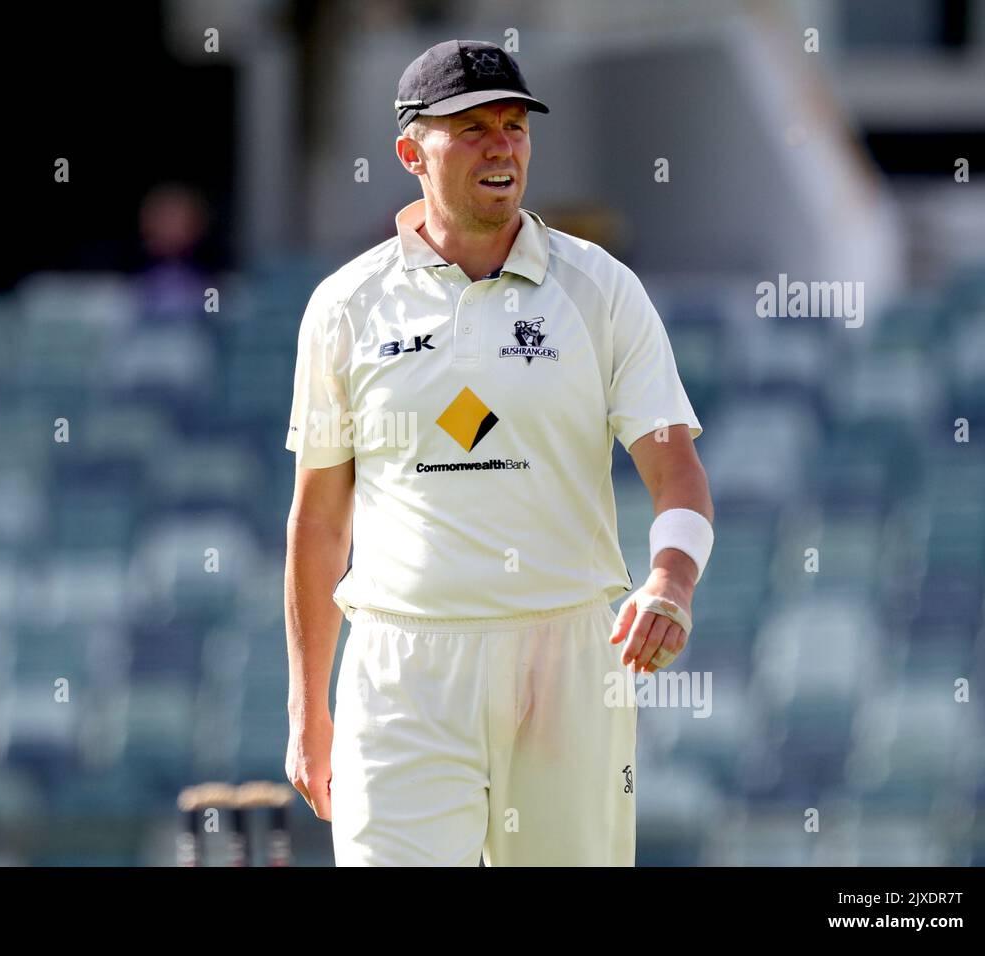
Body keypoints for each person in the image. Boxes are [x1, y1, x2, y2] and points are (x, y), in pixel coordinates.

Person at [283, 39, 714, 866]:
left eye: (514, 127)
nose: (501, 146)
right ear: (412, 152)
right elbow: (319, 520)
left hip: (567, 659)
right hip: (404, 669)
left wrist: (670, 578)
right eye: (471, 128)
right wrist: (309, 712)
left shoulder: (601, 288)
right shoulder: (345, 305)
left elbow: (677, 472)